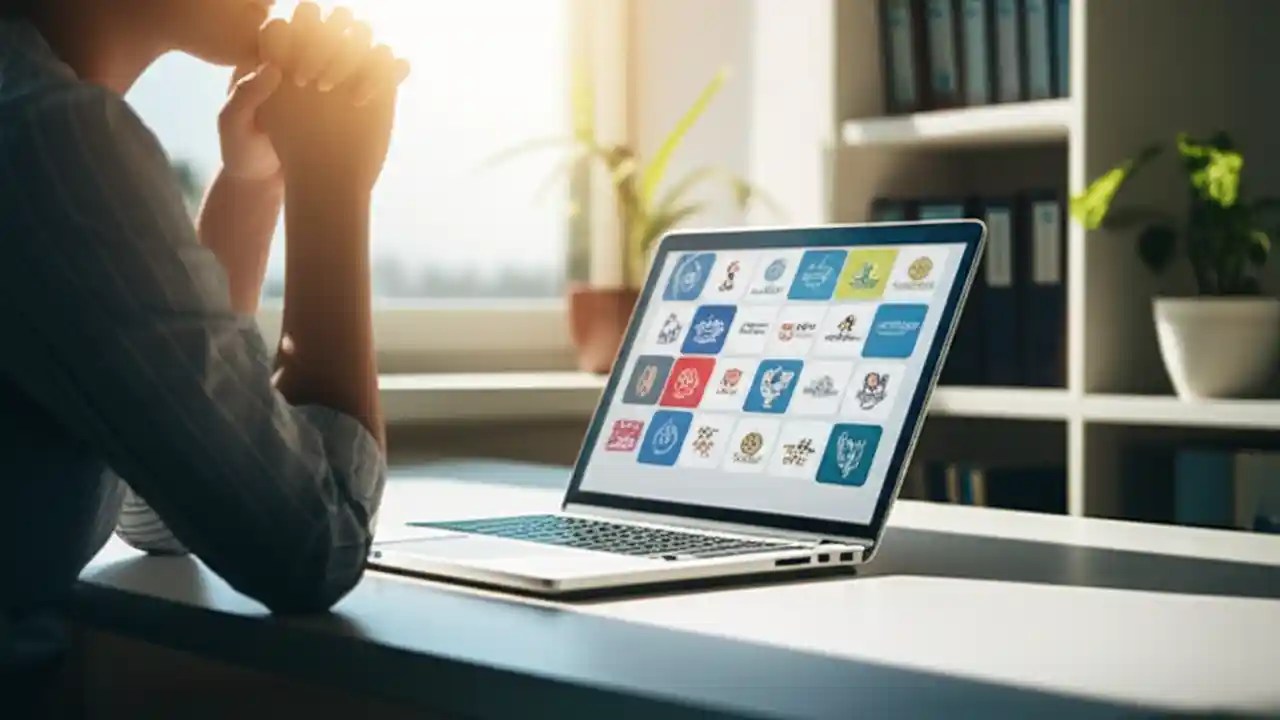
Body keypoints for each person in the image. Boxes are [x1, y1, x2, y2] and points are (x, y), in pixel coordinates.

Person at [0, 0, 408, 707]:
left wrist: (254, 183)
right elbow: (313, 546)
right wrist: (332, 182)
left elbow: (157, 506)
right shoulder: (53, 135)